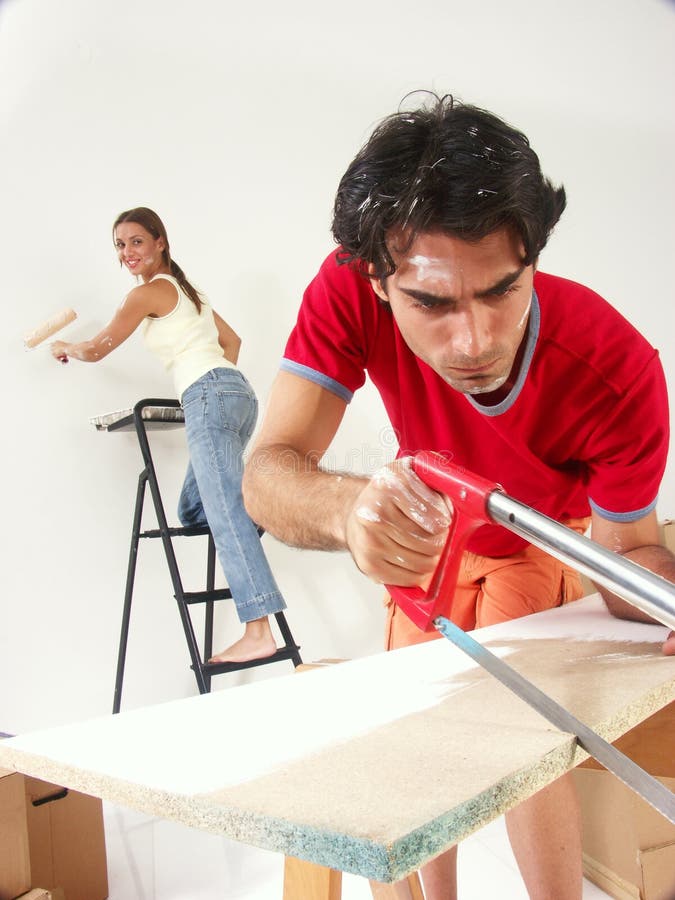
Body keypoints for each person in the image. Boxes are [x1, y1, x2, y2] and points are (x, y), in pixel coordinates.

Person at [242, 94, 675, 899]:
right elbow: (266, 471)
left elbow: (625, 561)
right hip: (428, 541)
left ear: (531, 258)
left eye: (501, 291)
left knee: (521, 739)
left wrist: (665, 593)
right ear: (375, 278)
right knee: (413, 743)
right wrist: (345, 511)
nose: (472, 341)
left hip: (535, 547)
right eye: (431, 303)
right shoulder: (344, 290)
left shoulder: (618, 371)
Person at [51, 206, 287, 664]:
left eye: (136, 241)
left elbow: (98, 348)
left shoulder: (147, 294)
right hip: (236, 394)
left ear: (160, 241)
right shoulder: (188, 292)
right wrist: (216, 390)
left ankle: (258, 630)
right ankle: (259, 507)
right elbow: (231, 343)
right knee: (194, 509)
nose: (127, 252)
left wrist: (65, 347)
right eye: (120, 245)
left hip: (211, 396)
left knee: (223, 514)